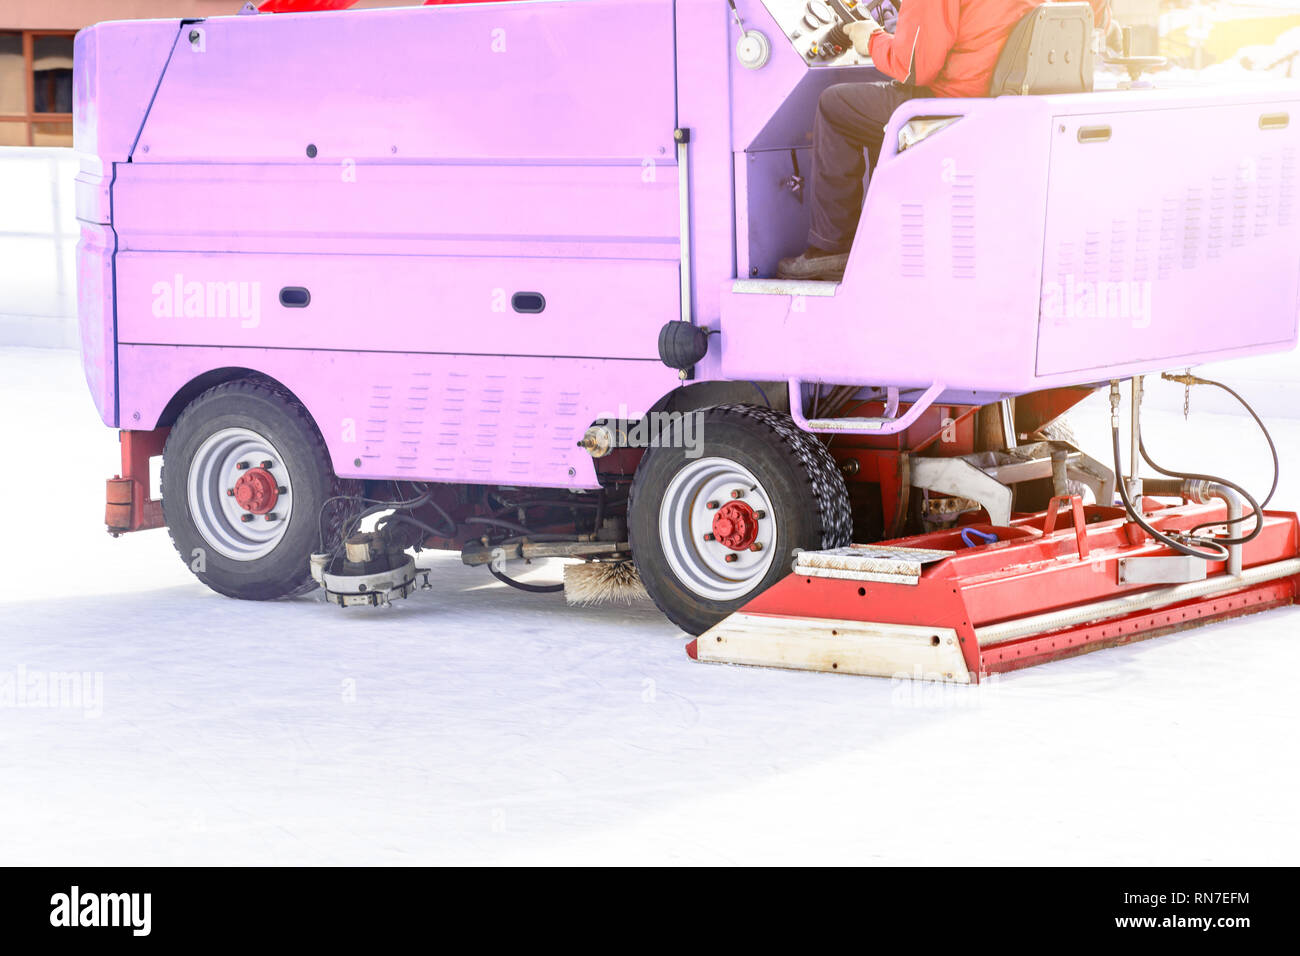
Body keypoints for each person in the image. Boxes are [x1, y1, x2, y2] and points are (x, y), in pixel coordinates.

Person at [777, 0, 1112, 281]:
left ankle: (831, 249)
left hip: (957, 111)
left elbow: (913, 67)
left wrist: (871, 40)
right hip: (1017, 111)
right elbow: (1098, 18)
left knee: (836, 106)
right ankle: (883, 241)